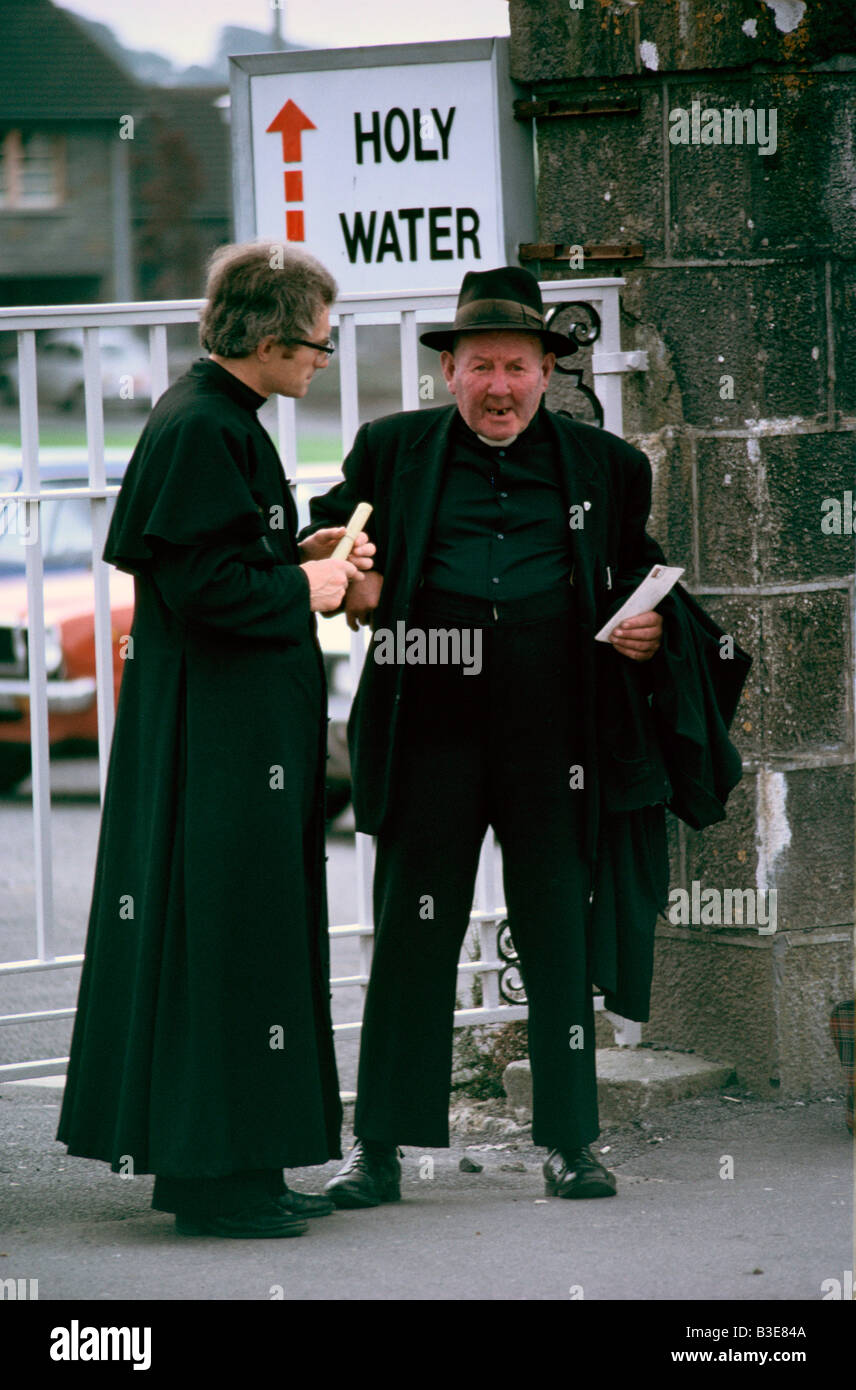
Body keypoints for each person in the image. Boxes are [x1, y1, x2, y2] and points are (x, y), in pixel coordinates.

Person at [304, 265, 750, 1207]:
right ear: (450, 371)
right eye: (480, 366)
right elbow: (329, 538)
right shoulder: (392, 450)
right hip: (430, 725)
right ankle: (377, 1149)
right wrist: (346, 565)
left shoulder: (609, 469)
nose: (498, 386)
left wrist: (651, 632)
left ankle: (572, 1143)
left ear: (548, 371)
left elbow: (643, 578)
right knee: (412, 938)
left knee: (558, 937)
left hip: (561, 739)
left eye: (517, 365)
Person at [57, 241, 374, 1239]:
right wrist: (305, 588)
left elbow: (216, 556)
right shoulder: (204, 425)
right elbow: (200, 591)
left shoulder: (215, 417)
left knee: (237, 942)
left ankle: (237, 1165)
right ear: (273, 340)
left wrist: (296, 550)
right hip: (222, 740)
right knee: (229, 941)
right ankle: (220, 1180)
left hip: (228, 731)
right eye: (318, 345)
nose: (323, 360)